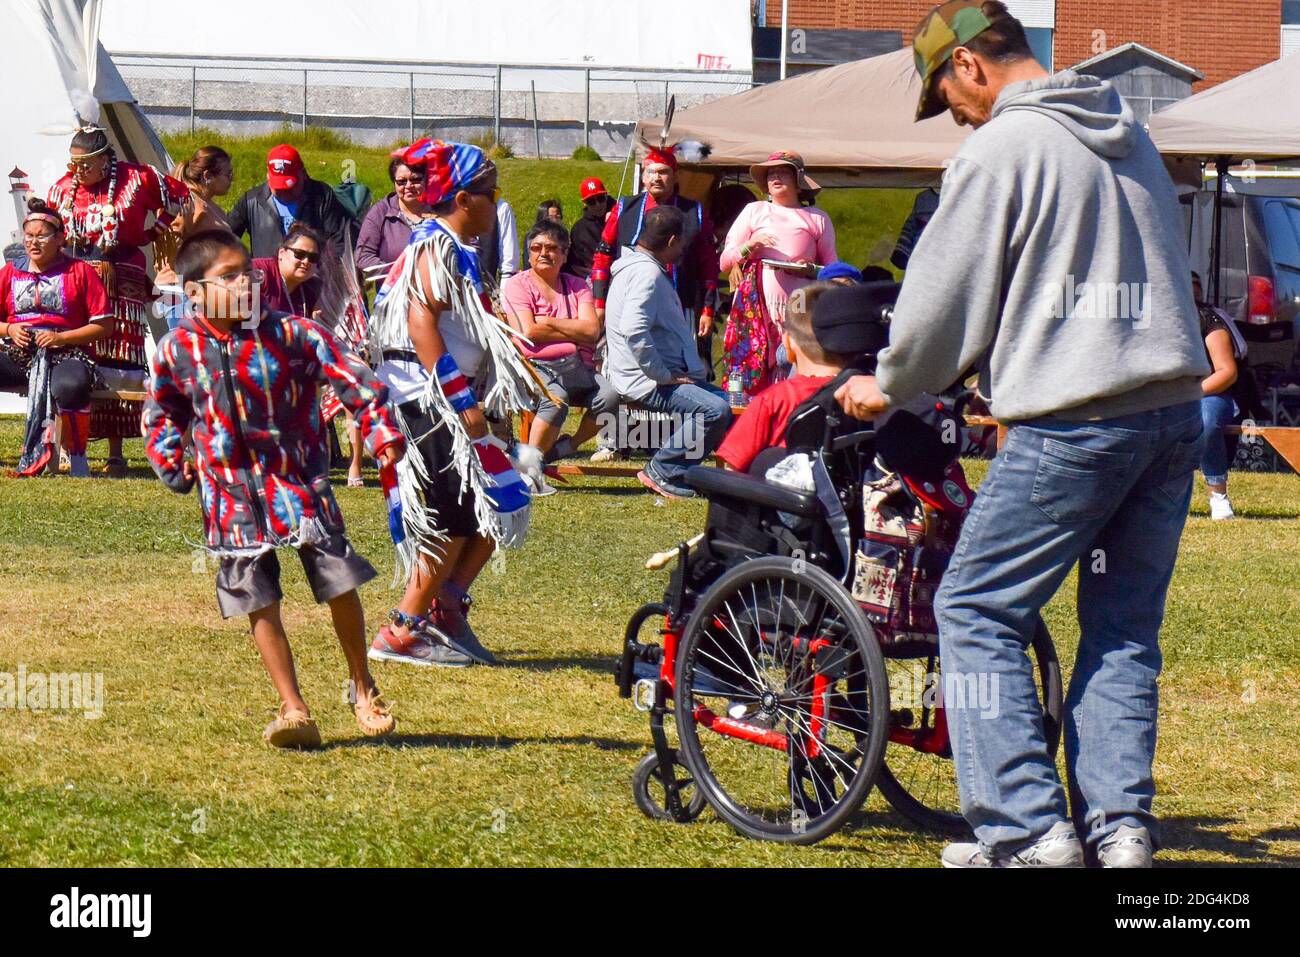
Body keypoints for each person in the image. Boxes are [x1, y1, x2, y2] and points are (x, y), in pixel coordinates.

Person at [835, 0, 1209, 868]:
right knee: (1121, 627)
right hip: (1170, 414)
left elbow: (936, 313)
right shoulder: (1129, 130)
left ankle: (1027, 833)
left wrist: (887, 382)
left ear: (969, 65)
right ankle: (1119, 833)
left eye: (946, 96)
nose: (955, 116)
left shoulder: (1001, 148)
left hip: (1075, 420)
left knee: (975, 608)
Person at [143, 229, 405, 749]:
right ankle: (293, 707)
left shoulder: (292, 334)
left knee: (337, 580)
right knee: (255, 597)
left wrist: (379, 432)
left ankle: (363, 685)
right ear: (194, 292)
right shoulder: (178, 349)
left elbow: (355, 379)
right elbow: (162, 412)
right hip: (229, 495)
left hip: (297, 481)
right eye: (229, 276)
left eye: (248, 271)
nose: (247, 282)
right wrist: (172, 460)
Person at [368, 138, 542, 668]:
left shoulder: (450, 248)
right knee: (448, 522)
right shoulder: (434, 246)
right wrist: (458, 395)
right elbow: (421, 322)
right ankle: (402, 629)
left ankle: (447, 606)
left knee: (502, 499)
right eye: (492, 193)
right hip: (428, 401)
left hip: (440, 397)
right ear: (465, 198)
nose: (499, 203)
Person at [47, 126, 190, 477]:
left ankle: (115, 450)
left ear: (104, 159)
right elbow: (52, 226)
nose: (78, 171)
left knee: (119, 358)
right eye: (74, 164)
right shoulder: (64, 189)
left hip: (122, 278)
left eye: (86, 164)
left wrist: (151, 234)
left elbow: (178, 197)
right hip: (77, 281)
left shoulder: (137, 179)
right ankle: (70, 447)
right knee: (75, 357)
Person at [590, 145, 721, 461]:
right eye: (651, 171)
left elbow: (707, 262)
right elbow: (603, 254)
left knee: (679, 376)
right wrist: (599, 302)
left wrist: (707, 308)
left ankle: (667, 444)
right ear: (643, 176)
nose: (657, 177)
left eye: (663, 172)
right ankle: (613, 440)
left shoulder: (694, 212)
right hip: (628, 305)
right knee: (622, 374)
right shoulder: (625, 207)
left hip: (679, 306)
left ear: (675, 177)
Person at [605, 205, 730, 499]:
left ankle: (711, 476)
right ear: (672, 241)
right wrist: (662, 375)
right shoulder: (646, 274)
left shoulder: (639, 269)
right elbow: (634, 329)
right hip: (647, 381)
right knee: (714, 410)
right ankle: (663, 470)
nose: (683, 250)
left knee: (735, 407)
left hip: (656, 375)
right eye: (683, 243)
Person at [0, 199, 114, 477]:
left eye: (41, 236)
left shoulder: (80, 271)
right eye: (29, 236)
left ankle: (76, 458)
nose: (33, 243)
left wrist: (61, 338)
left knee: (70, 385)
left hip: (68, 352)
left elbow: (104, 325)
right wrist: (9, 330)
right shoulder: (10, 272)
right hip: (20, 353)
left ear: (60, 238)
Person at [719, 151, 839, 399]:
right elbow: (724, 261)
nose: (775, 176)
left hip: (797, 308)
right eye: (770, 173)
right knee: (748, 369)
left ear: (798, 179)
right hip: (755, 308)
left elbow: (832, 269)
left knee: (793, 367)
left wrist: (810, 269)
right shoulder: (755, 211)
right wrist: (750, 245)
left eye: (782, 171)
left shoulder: (817, 219)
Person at [501, 220, 617, 472]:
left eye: (552, 248)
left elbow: (591, 330)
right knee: (556, 398)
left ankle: (568, 446)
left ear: (564, 254)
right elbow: (529, 332)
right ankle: (528, 469)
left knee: (610, 397)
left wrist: (548, 322)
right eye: (536, 247)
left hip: (576, 367)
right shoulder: (517, 285)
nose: (543, 253)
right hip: (532, 367)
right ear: (528, 253)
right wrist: (571, 329)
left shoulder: (577, 286)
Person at [715, 282, 847, 473]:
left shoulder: (773, 400)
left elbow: (731, 467)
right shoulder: (865, 394)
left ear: (788, 345)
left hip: (780, 498)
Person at [227, 144, 356, 259]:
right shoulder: (251, 201)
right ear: (267, 176)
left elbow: (338, 242)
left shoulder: (321, 196)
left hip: (310, 280)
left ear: (303, 174)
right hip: (265, 281)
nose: (284, 193)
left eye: (289, 187)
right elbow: (224, 239)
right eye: (278, 188)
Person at [155, 146, 234, 331]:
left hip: (197, 291)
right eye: (228, 174)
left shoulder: (204, 204)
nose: (232, 179)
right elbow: (170, 242)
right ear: (208, 176)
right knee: (187, 353)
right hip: (182, 291)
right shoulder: (188, 203)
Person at [1192, 271, 1243, 520]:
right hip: (1166, 395)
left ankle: (1218, 495)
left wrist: (1190, 393)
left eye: (1195, 284)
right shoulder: (1152, 320)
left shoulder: (1208, 320)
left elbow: (1227, 372)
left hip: (1210, 395)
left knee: (1206, 422)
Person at [356, 156, 431, 278]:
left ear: (426, 180)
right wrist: (399, 273)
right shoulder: (380, 212)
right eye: (401, 181)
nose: (408, 186)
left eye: (416, 180)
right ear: (394, 183)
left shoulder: (443, 210)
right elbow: (363, 257)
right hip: (393, 291)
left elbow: (469, 244)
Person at [253, 223, 324, 319]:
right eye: (299, 254)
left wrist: (314, 320)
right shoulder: (258, 271)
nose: (306, 261)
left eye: (313, 257)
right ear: (281, 253)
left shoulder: (312, 290)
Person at [563, 178, 612, 280]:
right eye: (591, 201)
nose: (598, 205)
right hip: (594, 278)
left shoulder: (621, 216)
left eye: (600, 198)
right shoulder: (579, 229)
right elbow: (577, 264)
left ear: (606, 196)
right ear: (584, 203)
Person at [470, 197, 520, 287]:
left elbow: (508, 262)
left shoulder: (500, 208)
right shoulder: (448, 206)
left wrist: (504, 293)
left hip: (486, 288)